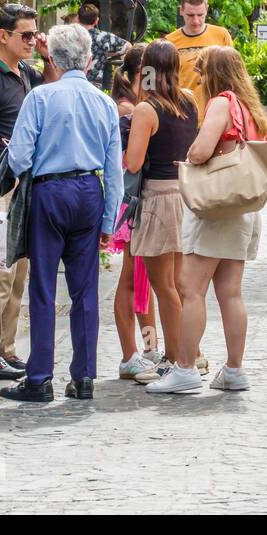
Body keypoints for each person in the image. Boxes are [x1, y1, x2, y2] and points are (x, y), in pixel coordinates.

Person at [0, 24, 123, 401]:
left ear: (50, 58)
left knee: (43, 287)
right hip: (89, 190)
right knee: (86, 290)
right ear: (88, 60)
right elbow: (113, 167)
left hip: (50, 191)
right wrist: (108, 221)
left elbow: (18, 157)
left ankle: (39, 378)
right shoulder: (105, 103)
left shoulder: (40, 98)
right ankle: (83, 377)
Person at [148, 46, 267, 394]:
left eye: (202, 72)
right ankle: (234, 370)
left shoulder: (221, 102)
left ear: (215, 72)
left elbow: (201, 151)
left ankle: (185, 367)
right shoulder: (249, 107)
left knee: (191, 288)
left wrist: (189, 156)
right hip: (243, 209)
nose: (199, 79)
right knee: (231, 293)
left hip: (218, 209)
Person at [0, 3, 60, 382]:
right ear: (3, 36)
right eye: (26, 35)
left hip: (22, 181)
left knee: (18, 272)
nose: (33, 41)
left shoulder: (25, 73)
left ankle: (6, 348)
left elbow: (53, 91)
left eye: (36, 34)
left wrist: (50, 56)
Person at [125, 40, 205, 384]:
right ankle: (191, 354)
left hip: (157, 197)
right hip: (184, 196)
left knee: (163, 286)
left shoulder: (147, 109)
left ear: (146, 68)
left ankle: (176, 359)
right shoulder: (189, 101)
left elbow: (133, 162)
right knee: (180, 284)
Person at [107, 45, 162, 379]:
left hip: (143, 200)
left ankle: (149, 348)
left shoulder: (145, 106)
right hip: (131, 202)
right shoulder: (126, 109)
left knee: (144, 281)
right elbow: (129, 162)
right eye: (147, 72)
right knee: (132, 278)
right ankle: (131, 354)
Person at [165, 0, 233, 113]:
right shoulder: (170, 42)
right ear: (181, 11)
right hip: (183, 115)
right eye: (190, 15)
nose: (196, 21)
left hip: (217, 114)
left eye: (200, 15)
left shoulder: (221, 35)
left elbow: (234, 76)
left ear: (207, 9)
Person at [77, 1, 129, 88]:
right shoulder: (103, 37)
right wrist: (109, 54)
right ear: (96, 21)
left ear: (78, 18)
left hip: (72, 83)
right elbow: (128, 46)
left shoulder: (69, 35)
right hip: (94, 86)